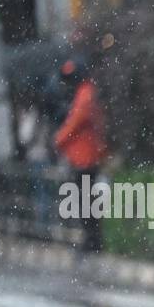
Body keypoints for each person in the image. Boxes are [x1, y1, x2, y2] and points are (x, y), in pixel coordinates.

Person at [54, 59, 108, 252]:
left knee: (85, 202)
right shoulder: (84, 93)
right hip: (83, 157)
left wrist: (59, 139)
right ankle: (91, 240)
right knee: (85, 201)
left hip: (84, 159)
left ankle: (92, 241)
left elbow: (75, 122)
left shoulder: (85, 94)